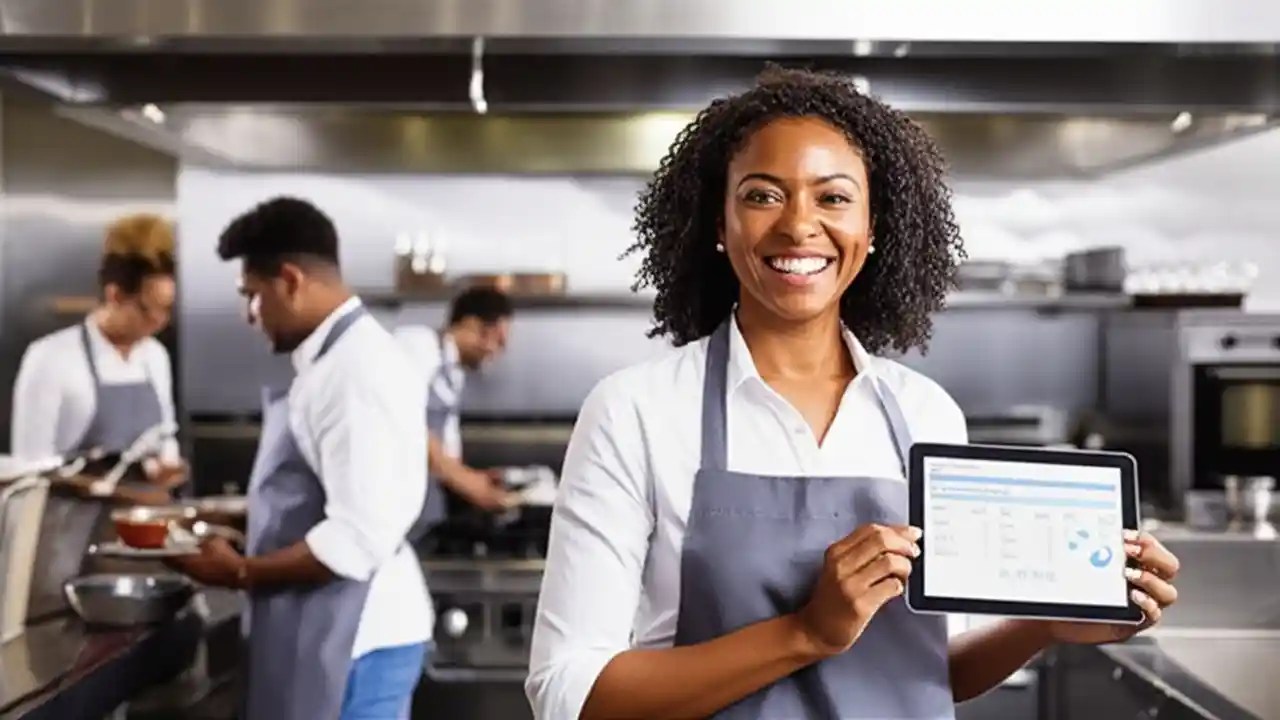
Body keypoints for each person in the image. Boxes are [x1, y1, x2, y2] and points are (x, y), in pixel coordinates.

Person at [525, 67, 1182, 720]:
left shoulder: (924, 414)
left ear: (871, 233)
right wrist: (805, 632)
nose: (799, 226)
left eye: (833, 198)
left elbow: (929, 665)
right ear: (718, 226)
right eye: (762, 195)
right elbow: (569, 693)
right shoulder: (636, 412)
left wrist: (1044, 624)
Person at [165, 197, 432, 720]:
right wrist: (232, 516)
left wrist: (240, 571)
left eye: (253, 296)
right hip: (334, 631)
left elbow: (357, 536)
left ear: (289, 280)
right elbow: (329, 490)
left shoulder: (355, 371)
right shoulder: (333, 358)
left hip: (360, 640)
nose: (250, 315)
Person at [13, 213, 185, 620]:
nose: (158, 323)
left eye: (167, 310)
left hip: (138, 546)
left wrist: (167, 467)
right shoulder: (52, 359)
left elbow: (165, 436)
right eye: (148, 310)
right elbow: (29, 470)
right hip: (66, 549)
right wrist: (108, 487)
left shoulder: (153, 357)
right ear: (115, 295)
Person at [394, 286, 516, 528]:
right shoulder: (417, 344)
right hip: (394, 493)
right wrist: (465, 481)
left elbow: (447, 444)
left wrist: (478, 479)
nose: (497, 351)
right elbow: (404, 421)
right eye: (498, 339)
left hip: (423, 498)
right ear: (471, 325)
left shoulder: (454, 374)